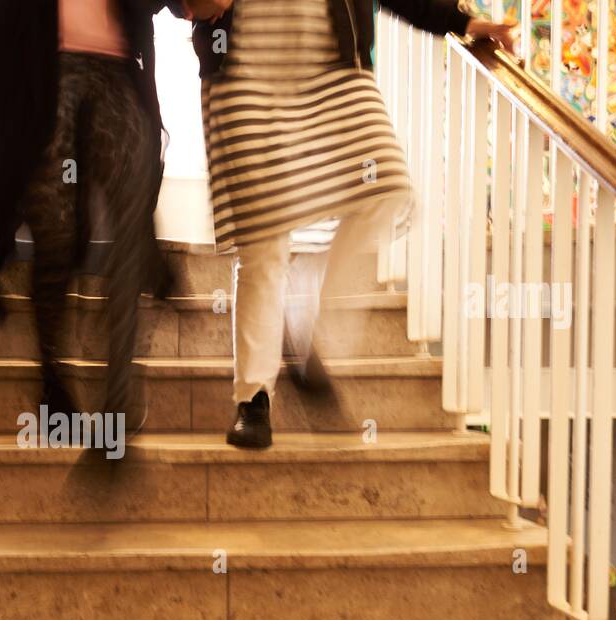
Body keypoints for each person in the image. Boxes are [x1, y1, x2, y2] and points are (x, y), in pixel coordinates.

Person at [181, 0, 514, 448]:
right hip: (242, 71)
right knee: (263, 243)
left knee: (386, 185)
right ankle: (253, 399)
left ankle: (311, 327)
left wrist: (463, 21)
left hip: (335, 70)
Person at [0, 0, 187, 434]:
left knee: (132, 221)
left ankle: (119, 400)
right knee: (55, 232)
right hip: (39, 67)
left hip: (116, 68)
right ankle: (54, 379)